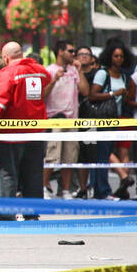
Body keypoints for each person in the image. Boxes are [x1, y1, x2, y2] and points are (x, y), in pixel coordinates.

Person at [0, 41, 51, 217]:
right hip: (36, 133)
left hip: (10, 135)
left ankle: (7, 214)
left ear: (6, 58)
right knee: (33, 175)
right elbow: (47, 82)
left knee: (7, 175)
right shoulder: (40, 70)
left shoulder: (8, 73)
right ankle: (32, 214)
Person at [87, 43, 135, 200]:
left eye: (121, 56)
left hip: (117, 119)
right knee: (102, 155)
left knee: (108, 153)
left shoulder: (122, 75)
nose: (119, 59)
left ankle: (107, 188)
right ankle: (102, 191)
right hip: (103, 120)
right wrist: (113, 93)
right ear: (109, 56)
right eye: (116, 56)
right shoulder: (102, 73)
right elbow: (92, 95)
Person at [44, 39, 89, 198]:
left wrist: (80, 71)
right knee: (52, 156)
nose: (74, 54)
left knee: (70, 157)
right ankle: (43, 186)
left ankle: (65, 189)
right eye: (71, 51)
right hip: (55, 118)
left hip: (72, 119)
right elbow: (42, 95)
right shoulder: (49, 70)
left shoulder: (74, 70)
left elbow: (85, 92)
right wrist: (55, 79)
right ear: (60, 52)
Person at [74, 47, 101, 198]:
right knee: (79, 156)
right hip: (73, 118)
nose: (83, 57)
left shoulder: (96, 74)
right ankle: (82, 188)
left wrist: (80, 72)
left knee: (92, 154)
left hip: (90, 118)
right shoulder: (70, 72)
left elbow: (85, 92)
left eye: (87, 54)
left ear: (92, 58)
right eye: (80, 54)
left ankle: (95, 186)